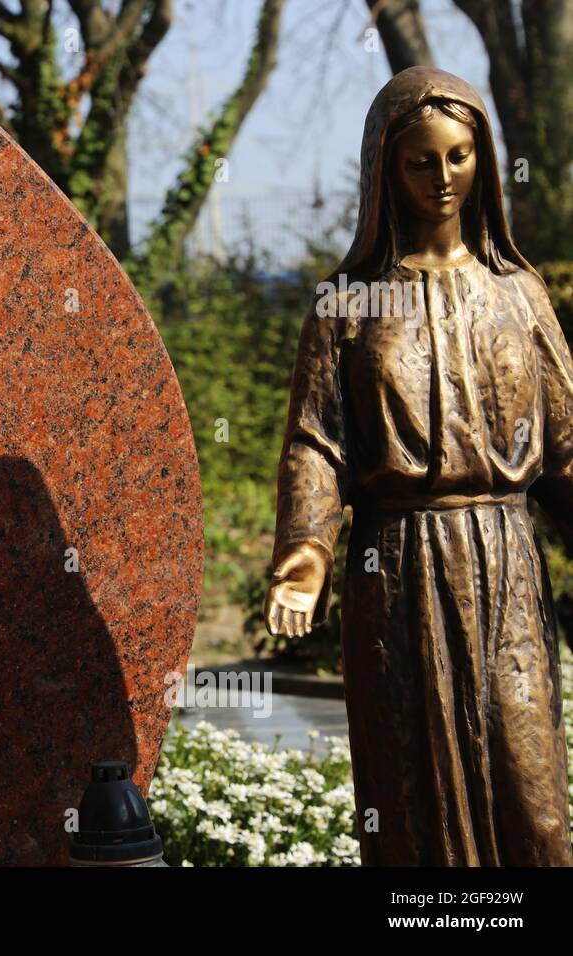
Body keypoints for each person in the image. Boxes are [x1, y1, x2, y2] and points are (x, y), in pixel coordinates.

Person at [266, 67, 572, 865]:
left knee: (531, 799)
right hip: (395, 568)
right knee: (411, 801)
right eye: (420, 161)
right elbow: (316, 442)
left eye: (460, 156)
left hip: (503, 565)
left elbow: (567, 445)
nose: (443, 179)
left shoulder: (518, 293)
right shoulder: (348, 303)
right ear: (385, 171)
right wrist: (306, 556)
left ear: (483, 162)